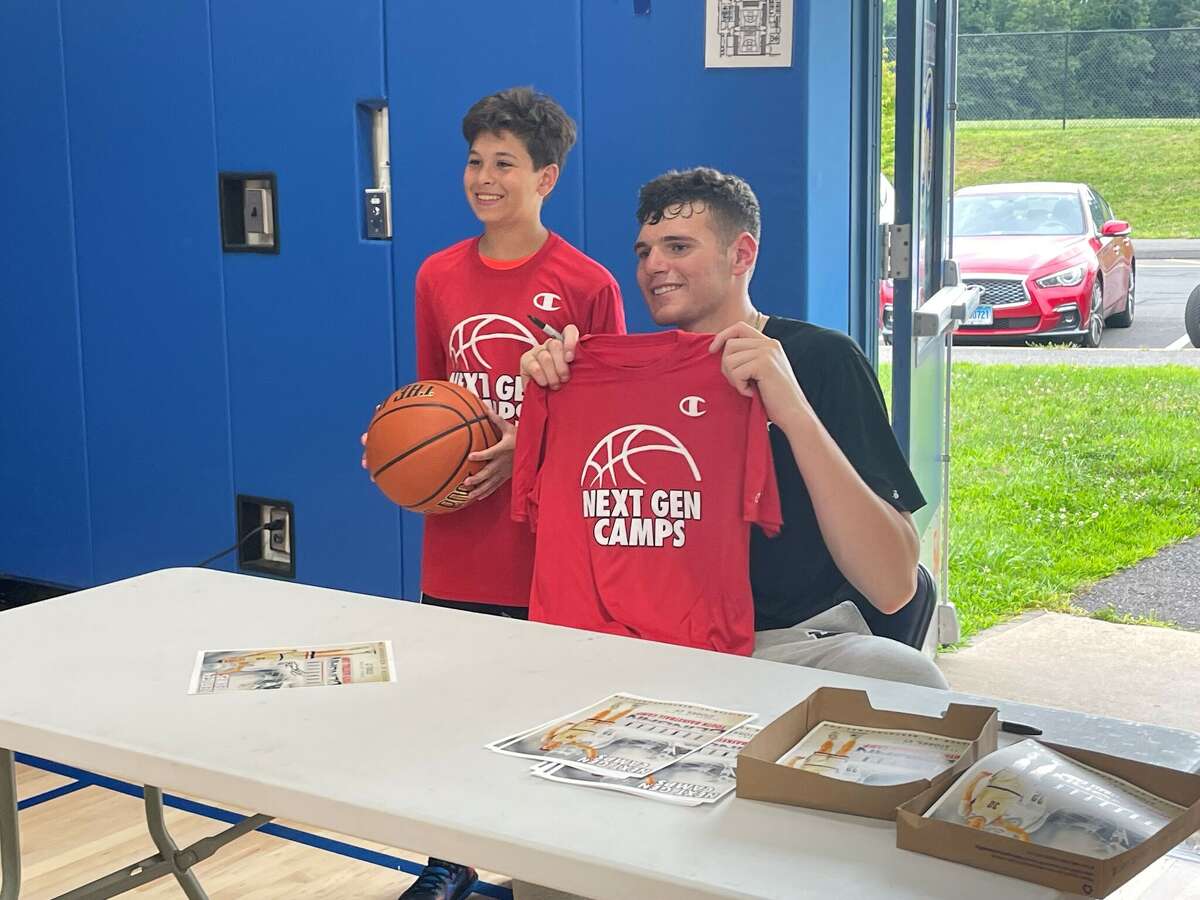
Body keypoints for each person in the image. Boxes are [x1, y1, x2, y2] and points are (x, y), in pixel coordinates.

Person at [520, 166, 947, 691]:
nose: (653, 265)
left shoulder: (820, 359)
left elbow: (893, 586)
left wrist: (792, 411)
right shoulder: (606, 378)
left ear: (742, 255)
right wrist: (550, 402)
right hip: (643, 646)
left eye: (677, 247)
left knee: (910, 676)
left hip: (786, 645)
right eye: (643, 251)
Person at [365, 86, 625, 900]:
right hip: (458, 539)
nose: (484, 177)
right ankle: (450, 860)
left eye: (504, 164)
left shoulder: (587, 284)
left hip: (544, 541)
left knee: (546, 713)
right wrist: (397, 453)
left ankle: (552, 864)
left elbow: (610, 420)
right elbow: (430, 402)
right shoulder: (438, 274)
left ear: (545, 177)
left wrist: (528, 452)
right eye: (475, 161)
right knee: (451, 708)